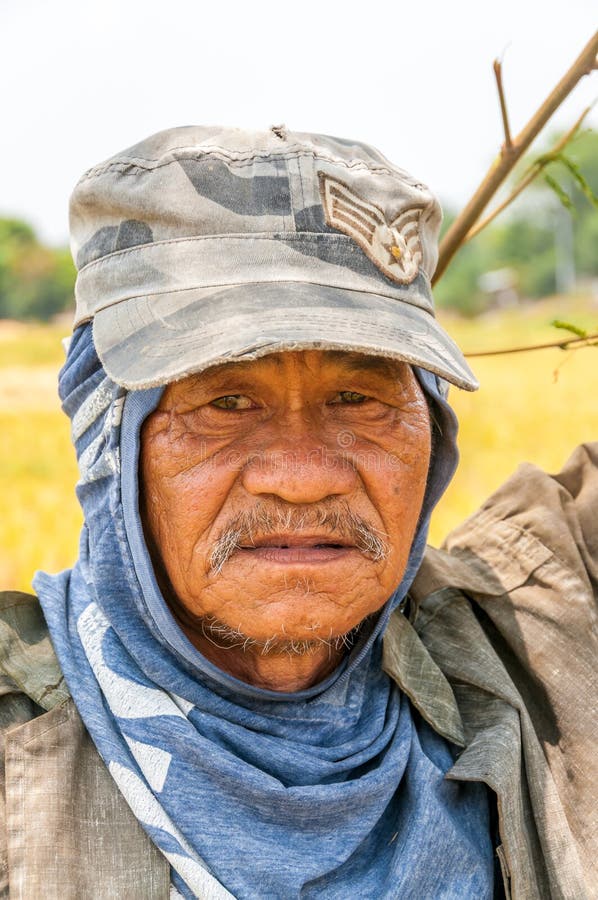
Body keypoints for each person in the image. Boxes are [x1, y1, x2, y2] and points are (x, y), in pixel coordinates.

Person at [0, 125, 595, 900]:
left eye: (358, 397)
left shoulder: (536, 625)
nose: (305, 476)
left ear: (434, 429)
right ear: (110, 442)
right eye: (226, 401)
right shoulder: (23, 748)